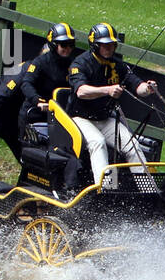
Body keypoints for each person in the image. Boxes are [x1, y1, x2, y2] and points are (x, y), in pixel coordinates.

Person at [67, 23, 158, 188]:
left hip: (104, 118)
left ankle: (148, 190)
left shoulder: (117, 65)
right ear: (95, 45)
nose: (110, 48)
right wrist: (107, 90)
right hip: (80, 118)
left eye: (112, 45)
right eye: (105, 45)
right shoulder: (80, 63)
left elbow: (138, 86)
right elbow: (81, 91)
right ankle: (105, 190)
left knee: (132, 146)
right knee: (98, 142)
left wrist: (149, 88)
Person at [18, 22, 77, 135]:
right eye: (64, 45)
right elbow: (26, 83)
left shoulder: (72, 64)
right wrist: (38, 101)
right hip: (37, 114)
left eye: (71, 44)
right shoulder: (40, 62)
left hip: (61, 115)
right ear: (54, 45)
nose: (68, 49)